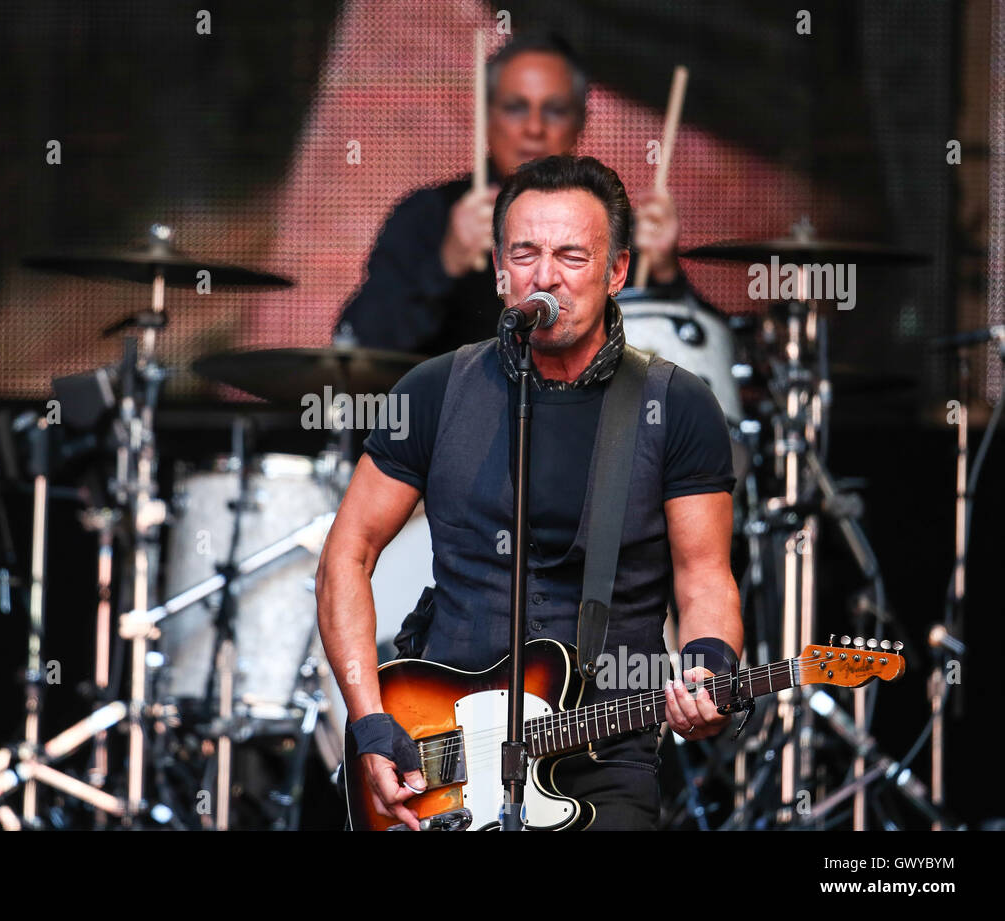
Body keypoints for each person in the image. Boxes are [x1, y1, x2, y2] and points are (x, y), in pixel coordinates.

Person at [315, 155, 742, 830]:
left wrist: (708, 668)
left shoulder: (676, 406)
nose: (546, 275)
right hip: (441, 753)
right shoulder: (433, 391)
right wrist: (369, 720)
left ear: (618, 271)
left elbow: (705, 575)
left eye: (573, 255)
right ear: (498, 269)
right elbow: (347, 553)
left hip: (606, 754)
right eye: (526, 253)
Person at [335, 31, 699, 356]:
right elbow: (358, 345)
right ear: (486, 116)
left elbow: (698, 358)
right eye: (516, 108)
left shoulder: (616, 226)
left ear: (580, 123)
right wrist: (445, 263)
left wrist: (666, 274)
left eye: (555, 110)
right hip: (447, 427)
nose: (534, 128)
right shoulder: (429, 214)